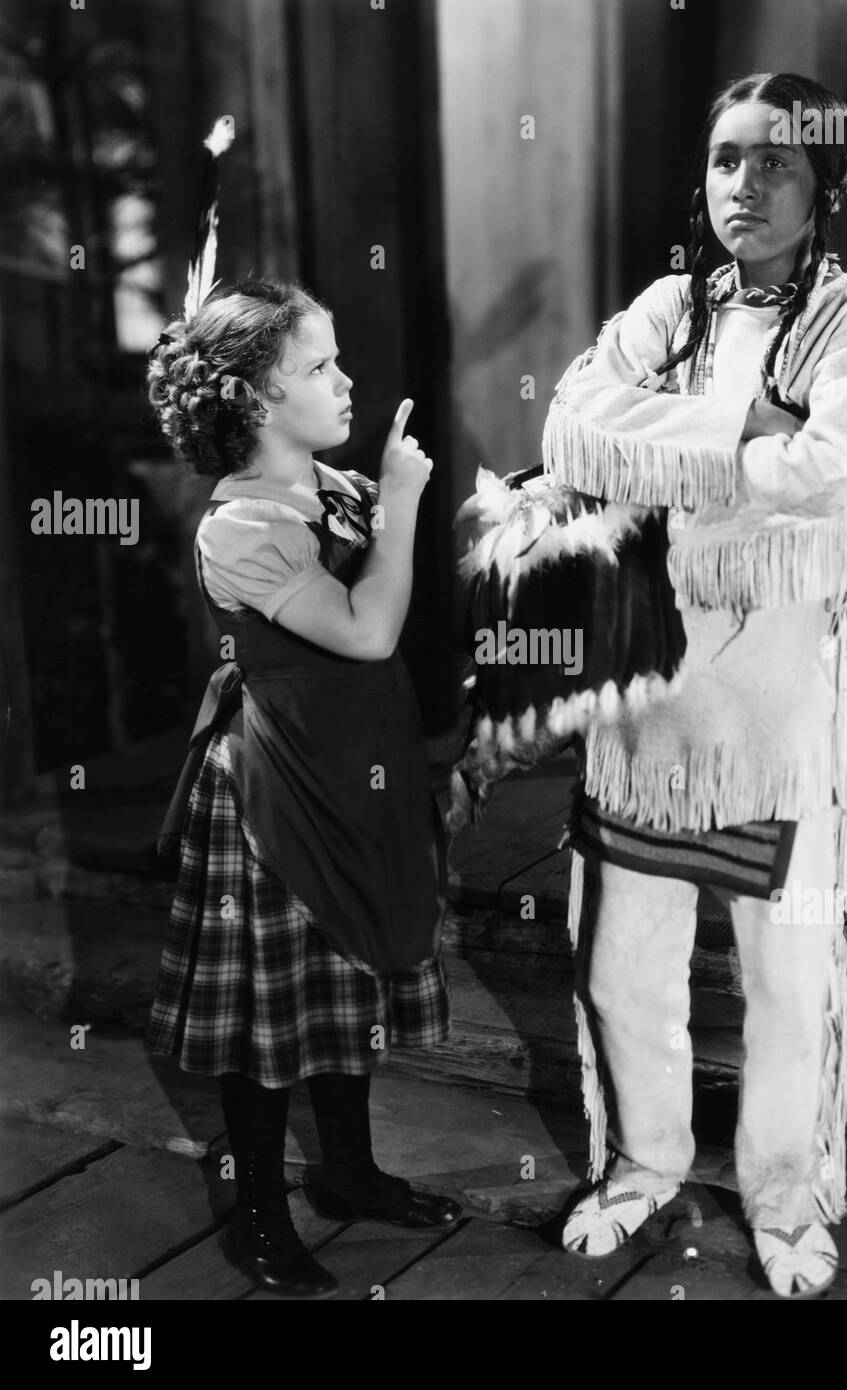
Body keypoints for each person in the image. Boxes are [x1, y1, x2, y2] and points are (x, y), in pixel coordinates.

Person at [540, 72, 847, 1297]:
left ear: (821, 188)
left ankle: (784, 1198)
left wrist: (682, 443)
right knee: (619, 965)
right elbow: (574, 426)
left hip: (769, 708)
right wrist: (741, 425)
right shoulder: (667, 305)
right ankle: (642, 1163)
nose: (741, 185)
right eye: (722, 160)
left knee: (784, 975)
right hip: (648, 698)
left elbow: (832, 467)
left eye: (774, 164)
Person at [145, 279, 459, 1299]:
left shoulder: (327, 485)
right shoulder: (239, 529)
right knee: (264, 1019)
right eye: (318, 367)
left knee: (340, 983)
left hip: (353, 767)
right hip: (273, 791)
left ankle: (350, 1171)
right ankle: (256, 1219)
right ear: (254, 398)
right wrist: (402, 502)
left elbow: (391, 596)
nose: (345, 379)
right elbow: (369, 629)